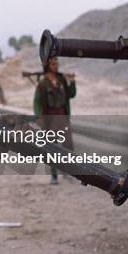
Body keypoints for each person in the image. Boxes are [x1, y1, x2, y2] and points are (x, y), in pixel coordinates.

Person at [33, 57, 76, 185]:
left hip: (62, 116)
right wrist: (40, 118)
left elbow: (71, 94)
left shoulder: (62, 79)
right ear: (48, 66)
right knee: (52, 147)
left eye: (57, 64)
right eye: (53, 64)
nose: (56, 66)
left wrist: (72, 82)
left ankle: (68, 171)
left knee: (68, 145)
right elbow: (37, 103)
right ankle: (54, 175)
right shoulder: (43, 83)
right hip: (50, 118)